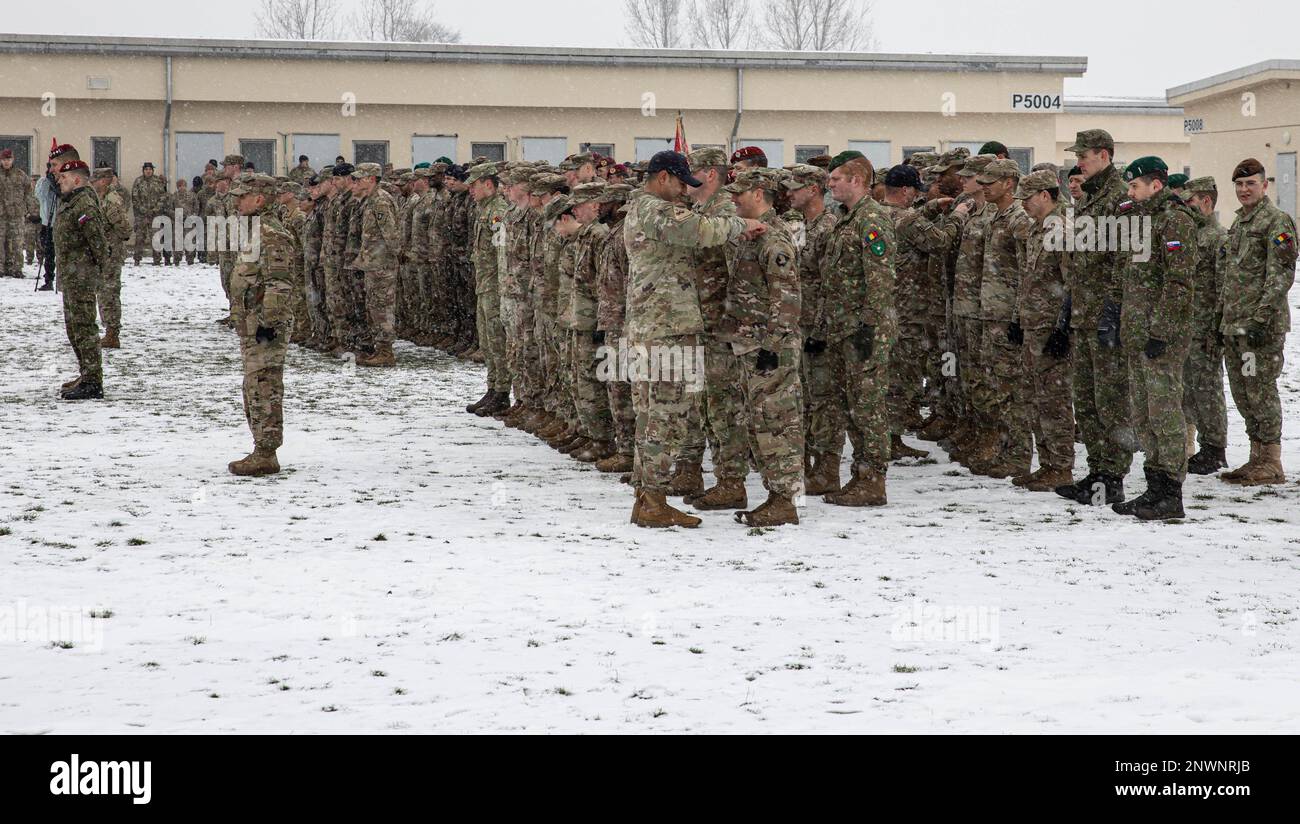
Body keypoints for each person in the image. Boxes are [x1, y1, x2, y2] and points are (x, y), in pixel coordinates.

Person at [623, 150, 765, 528]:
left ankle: (646, 498)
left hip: (655, 327)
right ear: (663, 177)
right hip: (667, 329)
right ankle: (653, 501)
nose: (685, 190)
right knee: (666, 417)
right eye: (681, 182)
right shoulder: (655, 209)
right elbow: (699, 231)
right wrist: (741, 224)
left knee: (652, 416)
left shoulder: (641, 208)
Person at [1108, 157, 1198, 520]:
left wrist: (1160, 330)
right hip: (1137, 333)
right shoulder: (1141, 220)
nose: (1130, 193)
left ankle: (1171, 492)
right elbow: (1131, 276)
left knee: (1164, 413)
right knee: (1143, 414)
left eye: (1135, 186)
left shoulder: (1175, 220)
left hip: (1162, 336)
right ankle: (1154, 487)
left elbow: (1179, 283)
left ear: (1155, 185)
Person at [1056, 130, 1133, 505]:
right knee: (1086, 400)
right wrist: (1069, 305)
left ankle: (1113, 475)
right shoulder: (1089, 198)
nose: (1079, 162)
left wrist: (1113, 311)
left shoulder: (1119, 197)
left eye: (1083, 155)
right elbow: (1081, 261)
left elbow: (1124, 260)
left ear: (1103, 155)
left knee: (1111, 400)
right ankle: (1097, 470)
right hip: (1084, 314)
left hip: (1105, 315)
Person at [724, 167, 804, 526]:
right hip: (751, 344)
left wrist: (773, 345)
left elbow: (786, 297)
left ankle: (785, 499)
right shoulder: (752, 234)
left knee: (777, 422)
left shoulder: (773, 239)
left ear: (758, 194)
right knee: (761, 421)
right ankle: (776, 494)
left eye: (739, 193)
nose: (733, 199)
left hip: (769, 347)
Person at [817, 151, 898, 506]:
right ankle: (860, 475)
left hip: (865, 329)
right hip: (843, 328)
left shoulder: (872, 219)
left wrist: (869, 325)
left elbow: (880, 278)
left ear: (857, 180)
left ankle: (873, 480)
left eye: (836, 178)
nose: (830, 184)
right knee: (851, 405)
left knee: (868, 406)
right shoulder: (845, 218)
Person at [1218, 157, 1298, 486]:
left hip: (1259, 328)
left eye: (1250, 183)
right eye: (1239, 184)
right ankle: (1256, 458)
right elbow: (1230, 277)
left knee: (1260, 390)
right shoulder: (1239, 223)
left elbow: (1280, 275)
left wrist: (1260, 319)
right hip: (1234, 326)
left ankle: (1272, 461)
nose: (1244, 189)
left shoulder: (1276, 222)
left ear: (1264, 185)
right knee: (1243, 392)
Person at [227, 174, 297, 476]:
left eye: (243, 196)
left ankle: (266, 452)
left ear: (259, 199)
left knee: (264, 384)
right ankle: (262, 447)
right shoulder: (257, 230)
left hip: (264, 324)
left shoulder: (272, 234)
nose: (237, 202)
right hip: (252, 321)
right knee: (254, 384)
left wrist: (268, 324)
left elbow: (278, 284)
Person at [1009, 169, 1075, 491]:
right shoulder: (1037, 229)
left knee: (1054, 401)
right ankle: (1047, 463)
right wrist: (1017, 318)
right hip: (1032, 326)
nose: (1022, 204)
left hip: (1050, 330)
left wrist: (1063, 328)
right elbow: (1028, 279)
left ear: (1045, 195)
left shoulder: (1061, 229)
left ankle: (1061, 466)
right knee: (1034, 398)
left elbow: (1071, 282)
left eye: (1027, 197)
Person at [1180, 176, 1229, 475]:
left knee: (1208, 389)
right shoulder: (1191, 235)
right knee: (1190, 389)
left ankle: (1214, 448)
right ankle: (1201, 445)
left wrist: (1217, 327)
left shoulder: (1217, 238)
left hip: (1206, 327)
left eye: (1191, 202)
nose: (1186, 207)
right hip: (1188, 326)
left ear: (1206, 201)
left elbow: (1223, 286)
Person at [52, 158, 113, 400]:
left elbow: (98, 243)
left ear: (76, 179)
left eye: (64, 177)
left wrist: (91, 271)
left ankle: (93, 381)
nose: (60, 181)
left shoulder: (84, 204)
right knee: (74, 329)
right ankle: (85, 373)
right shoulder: (72, 201)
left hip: (81, 277)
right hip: (72, 276)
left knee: (84, 329)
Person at [350, 162, 400, 366]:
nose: (355, 181)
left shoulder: (380, 201)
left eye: (359, 178)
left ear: (371, 179)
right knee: (374, 306)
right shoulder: (370, 200)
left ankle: (386, 352)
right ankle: (379, 348)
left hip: (382, 264)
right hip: (373, 263)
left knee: (382, 307)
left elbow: (391, 235)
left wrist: (391, 260)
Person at [89, 167, 131, 349]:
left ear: (104, 181)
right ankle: (109, 331)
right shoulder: (100, 198)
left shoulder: (111, 200)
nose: (93, 183)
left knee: (109, 293)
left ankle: (112, 333)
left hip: (111, 254)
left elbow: (124, 229)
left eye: (96, 180)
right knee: (103, 292)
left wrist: (112, 240)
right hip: (103, 252)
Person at [0, 148, 33, 278]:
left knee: (17, 242)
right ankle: (1, 268)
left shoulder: (20, 175)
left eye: (8, 159)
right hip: (1, 214)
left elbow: (29, 193)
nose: (6, 162)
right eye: (4, 159)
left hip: (17, 214)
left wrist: (32, 211)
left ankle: (17, 268)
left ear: (13, 159)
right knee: (1, 242)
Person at [130, 162, 166, 266]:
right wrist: (142, 209)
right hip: (141, 215)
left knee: (156, 238)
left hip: (155, 215)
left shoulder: (158, 181)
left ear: (152, 171)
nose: (148, 171)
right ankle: (137, 259)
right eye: (146, 169)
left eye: (150, 169)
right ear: (143, 171)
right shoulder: (138, 181)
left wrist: (156, 209)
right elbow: (135, 197)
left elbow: (163, 196)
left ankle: (157, 260)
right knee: (139, 238)